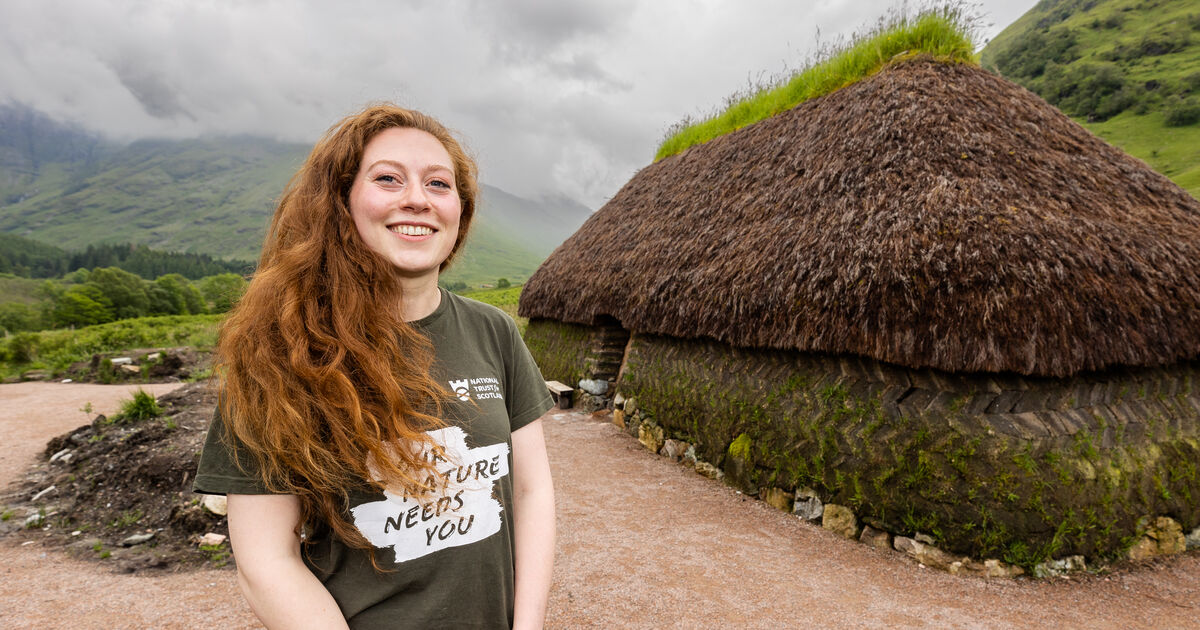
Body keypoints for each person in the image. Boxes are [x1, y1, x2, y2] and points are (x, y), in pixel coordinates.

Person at [193, 105, 556, 629]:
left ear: (460, 210)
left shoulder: (494, 331)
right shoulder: (276, 353)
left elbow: (530, 491)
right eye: (388, 178)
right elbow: (265, 560)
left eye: (439, 183)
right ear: (340, 202)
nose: (418, 199)